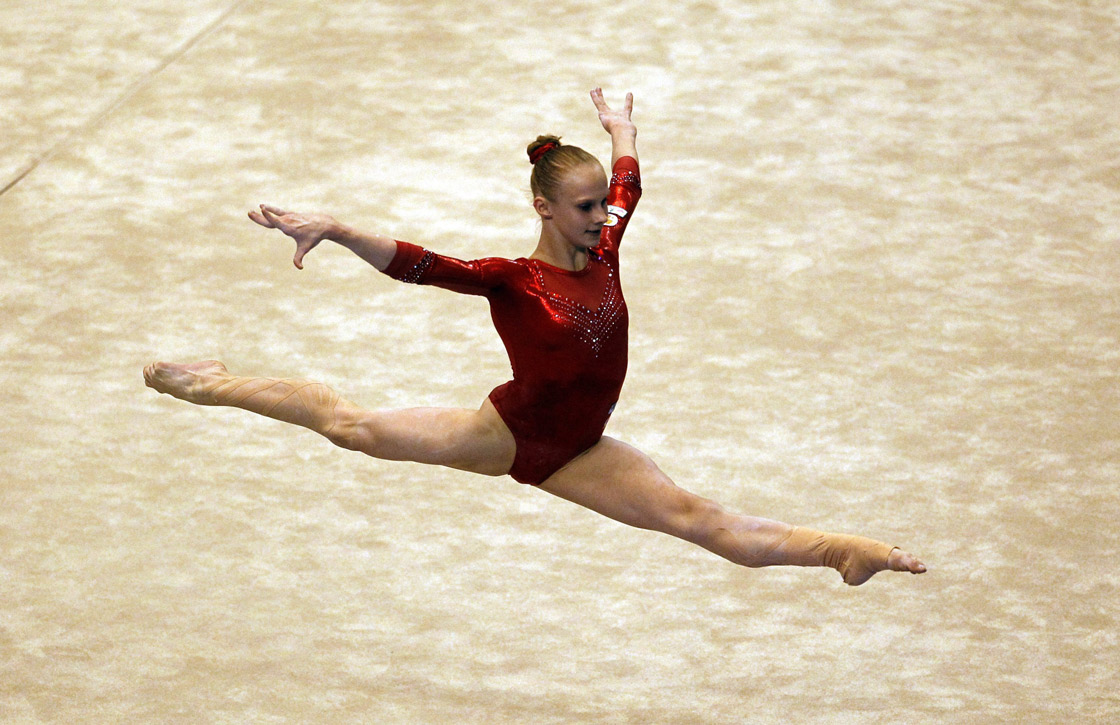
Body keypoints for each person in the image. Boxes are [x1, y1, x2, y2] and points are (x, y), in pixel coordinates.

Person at [144, 89, 926, 586]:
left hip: (583, 449)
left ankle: (840, 549)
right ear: (545, 210)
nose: (601, 219)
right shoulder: (512, 279)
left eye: (600, 209)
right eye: (583, 209)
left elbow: (630, 184)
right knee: (348, 426)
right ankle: (206, 380)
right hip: (508, 435)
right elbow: (418, 264)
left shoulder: (607, 245)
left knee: (702, 520)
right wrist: (340, 227)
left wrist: (620, 126)